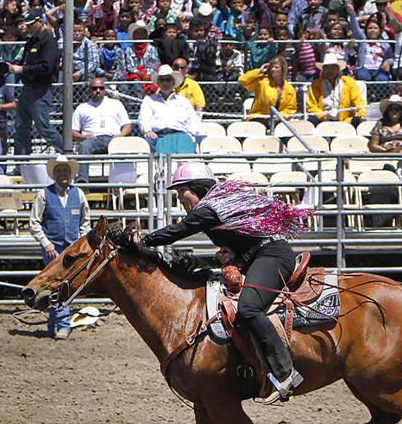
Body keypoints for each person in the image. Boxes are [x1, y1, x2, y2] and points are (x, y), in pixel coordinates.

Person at [139, 161, 309, 404]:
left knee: (249, 308)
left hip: (271, 255)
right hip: (259, 255)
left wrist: (143, 241)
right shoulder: (218, 202)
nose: (179, 198)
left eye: (182, 191)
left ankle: (284, 372)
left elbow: (179, 230)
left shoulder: (208, 209)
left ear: (196, 188)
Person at [11, 15, 62, 156]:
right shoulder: (31, 42)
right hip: (26, 88)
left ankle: (67, 153)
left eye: (31, 24)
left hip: (41, 89)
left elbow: (46, 66)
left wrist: (22, 69)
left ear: (40, 22)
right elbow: (23, 61)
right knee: (20, 127)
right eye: (27, 25)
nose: (28, 28)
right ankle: (21, 161)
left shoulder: (49, 41)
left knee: (44, 127)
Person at [29, 155, 90, 264]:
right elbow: (34, 223)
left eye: (65, 170)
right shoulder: (43, 194)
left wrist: (81, 242)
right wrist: (46, 243)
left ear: (70, 173)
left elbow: (85, 222)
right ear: (54, 174)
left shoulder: (79, 194)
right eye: (59, 170)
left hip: (74, 249)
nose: (63, 173)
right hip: (52, 250)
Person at [72, 78, 134, 181]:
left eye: (101, 88)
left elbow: (127, 126)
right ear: (89, 90)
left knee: (122, 145)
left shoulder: (116, 104)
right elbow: (72, 132)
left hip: (113, 139)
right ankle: (82, 180)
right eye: (94, 88)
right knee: (85, 145)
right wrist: (83, 137)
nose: (98, 91)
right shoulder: (82, 108)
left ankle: (122, 181)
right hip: (93, 140)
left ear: (104, 90)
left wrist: (120, 136)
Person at [138, 65, 200, 154]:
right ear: (158, 82)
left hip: (180, 135)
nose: (165, 82)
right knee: (149, 140)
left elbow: (192, 119)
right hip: (157, 136)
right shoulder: (149, 100)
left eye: (168, 79)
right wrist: (147, 130)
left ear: (173, 81)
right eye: (162, 80)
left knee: (189, 142)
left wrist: (191, 133)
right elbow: (144, 118)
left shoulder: (183, 101)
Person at [305, 52, 365, 125]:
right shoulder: (315, 85)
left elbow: (358, 101)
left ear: (338, 69)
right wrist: (322, 116)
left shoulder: (349, 82)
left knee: (356, 120)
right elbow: (311, 106)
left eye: (333, 67)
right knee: (312, 120)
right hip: (323, 120)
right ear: (323, 69)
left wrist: (362, 114)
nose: (330, 70)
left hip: (345, 120)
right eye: (327, 67)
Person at [239, 54, 298, 122]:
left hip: (278, 120)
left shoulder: (290, 89)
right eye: (271, 67)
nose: (273, 69)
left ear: (283, 70)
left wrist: (280, 116)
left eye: (276, 67)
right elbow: (242, 80)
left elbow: (290, 109)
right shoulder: (262, 82)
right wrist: (259, 71)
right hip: (258, 118)